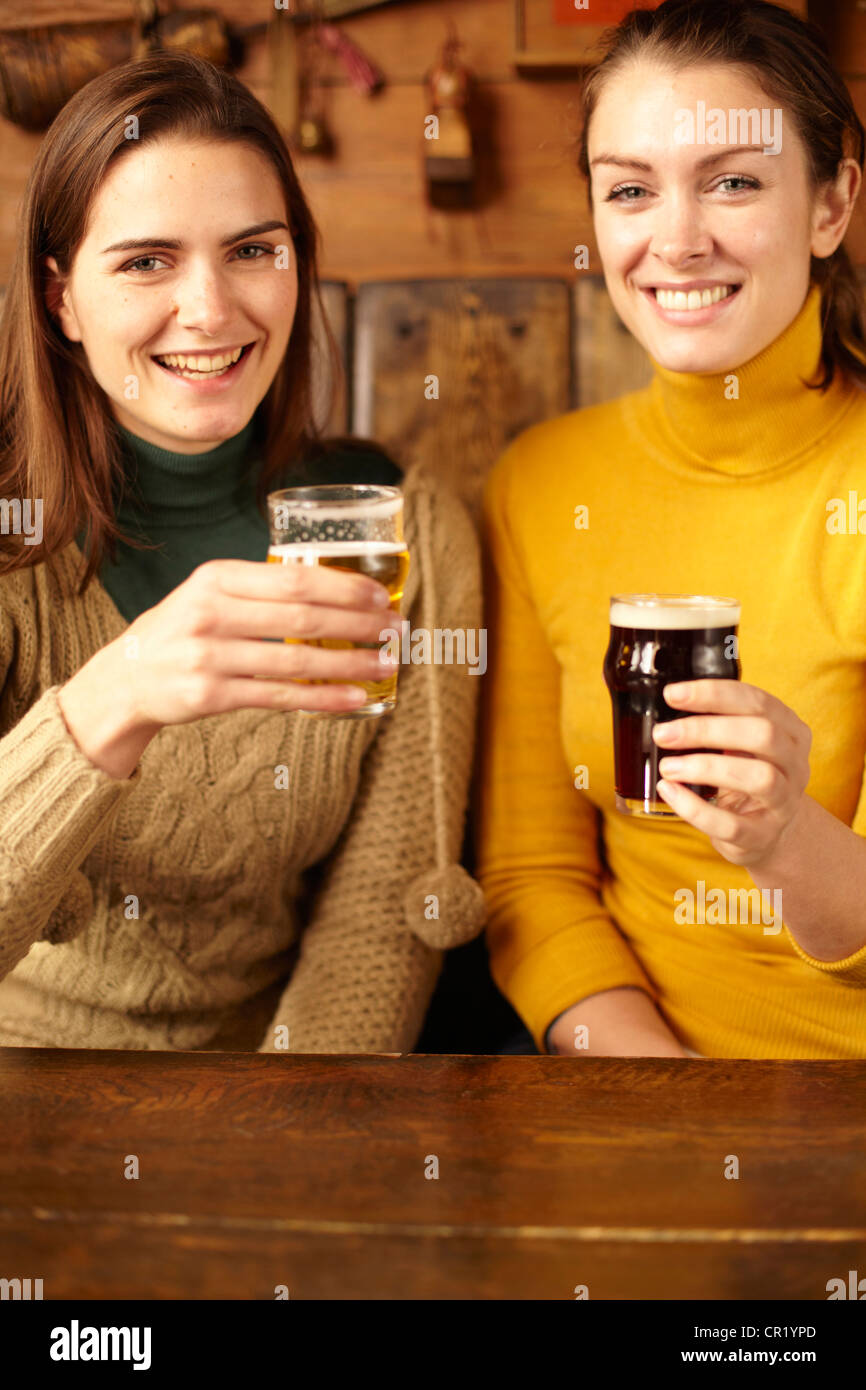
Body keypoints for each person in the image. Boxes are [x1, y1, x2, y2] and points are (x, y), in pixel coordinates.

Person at [0, 50, 485, 1052]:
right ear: (61, 301)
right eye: (146, 260)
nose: (212, 310)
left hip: (286, 1095)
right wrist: (114, 698)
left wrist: (278, 1143)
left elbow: (378, 924)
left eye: (253, 250)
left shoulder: (401, 531)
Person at [477, 0, 866, 1059]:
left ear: (830, 205)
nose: (675, 239)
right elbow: (530, 880)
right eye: (630, 190)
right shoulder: (538, 482)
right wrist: (664, 1105)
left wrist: (784, 839)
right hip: (628, 1089)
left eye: (733, 181)